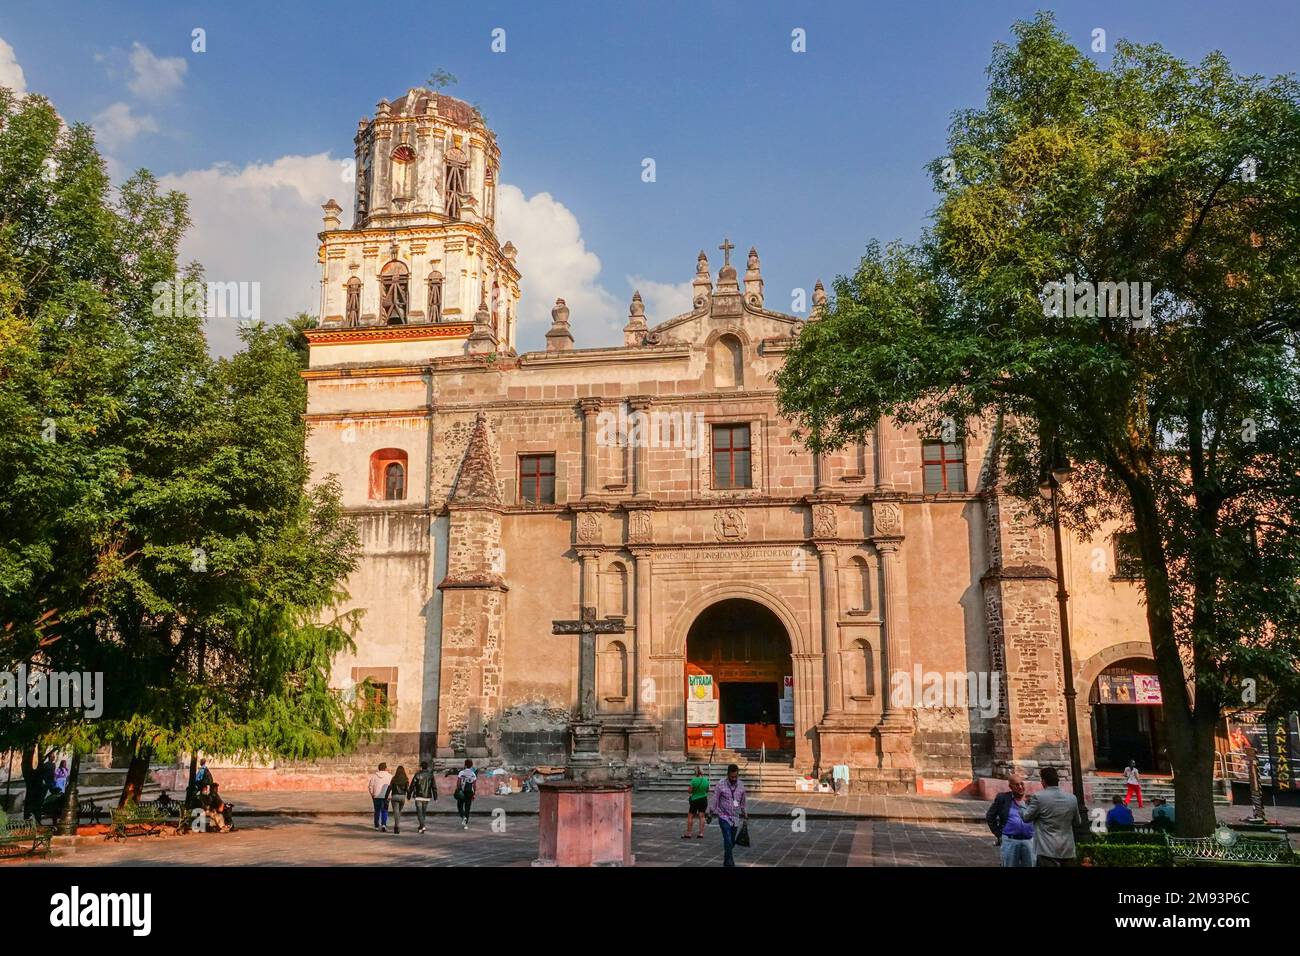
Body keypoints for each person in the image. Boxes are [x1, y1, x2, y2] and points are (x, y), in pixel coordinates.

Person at [1021, 766, 1082, 867]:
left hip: (1047, 850)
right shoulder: (1072, 798)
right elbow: (1078, 822)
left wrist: (1026, 805)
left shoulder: (1039, 797)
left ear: (1043, 781)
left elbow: (1026, 818)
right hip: (1067, 850)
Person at [985, 773, 1035, 867]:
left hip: (1029, 841)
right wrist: (999, 834)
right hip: (1010, 841)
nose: (1020, 787)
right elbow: (990, 816)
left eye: (1021, 784)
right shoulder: (1003, 799)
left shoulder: (1031, 800)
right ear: (1010, 787)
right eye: (1017, 785)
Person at [706, 763, 747, 867]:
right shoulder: (721, 784)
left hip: (735, 817)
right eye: (732, 776)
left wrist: (744, 811)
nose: (734, 778)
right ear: (727, 774)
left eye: (735, 776)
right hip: (723, 816)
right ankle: (730, 863)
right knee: (728, 839)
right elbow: (715, 799)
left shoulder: (741, 785)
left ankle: (726, 860)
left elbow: (743, 800)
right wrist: (710, 812)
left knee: (732, 841)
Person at [409, 761, 438, 833]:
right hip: (426, 796)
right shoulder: (430, 775)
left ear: (421, 767)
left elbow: (412, 785)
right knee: (423, 812)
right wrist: (435, 796)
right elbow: (434, 786)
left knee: (419, 812)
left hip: (418, 796)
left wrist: (409, 795)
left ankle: (422, 825)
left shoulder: (417, 774)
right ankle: (421, 827)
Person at [683, 767, 709, 839]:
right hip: (703, 799)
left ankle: (689, 833)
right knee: (702, 816)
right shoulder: (706, 780)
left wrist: (693, 791)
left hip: (695, 800)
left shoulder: (694, 780)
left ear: (696, 772)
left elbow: (689, 791)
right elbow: (707, 790)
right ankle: (701, 833)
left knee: (690, 816)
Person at [368, 762, 393, 832]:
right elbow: (392, 787)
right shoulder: (390, 776)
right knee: (384, 811)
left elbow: (370, 786)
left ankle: (376, 826)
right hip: (386, 796)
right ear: (385, 768)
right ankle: (383, 825)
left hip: (376, 796)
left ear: (379, 768)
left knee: (377, 811)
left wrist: (372, 793)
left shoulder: (374, 776)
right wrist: (390, 795)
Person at [454, 759, 476, 829]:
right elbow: (474, 785)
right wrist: (474, 794)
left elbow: (458, 782)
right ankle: (465, 824)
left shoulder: (461, 772)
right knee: (467, 807)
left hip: (462, 791)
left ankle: (463, 816)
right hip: (470, 792)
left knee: (459, 805)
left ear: (465, 765)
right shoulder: (473, 774)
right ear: (471, 765)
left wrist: (458, 789)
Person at [388, 765, 409, 834]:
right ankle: (397, 825)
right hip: (402, 797)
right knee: (399, 811)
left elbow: (389, 788)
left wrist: (386, 797)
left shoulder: (394, 778)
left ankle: (396, 827)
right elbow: (407, 789)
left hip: (394, 796)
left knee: (396, 812)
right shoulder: (406, 779)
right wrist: (409, 796)